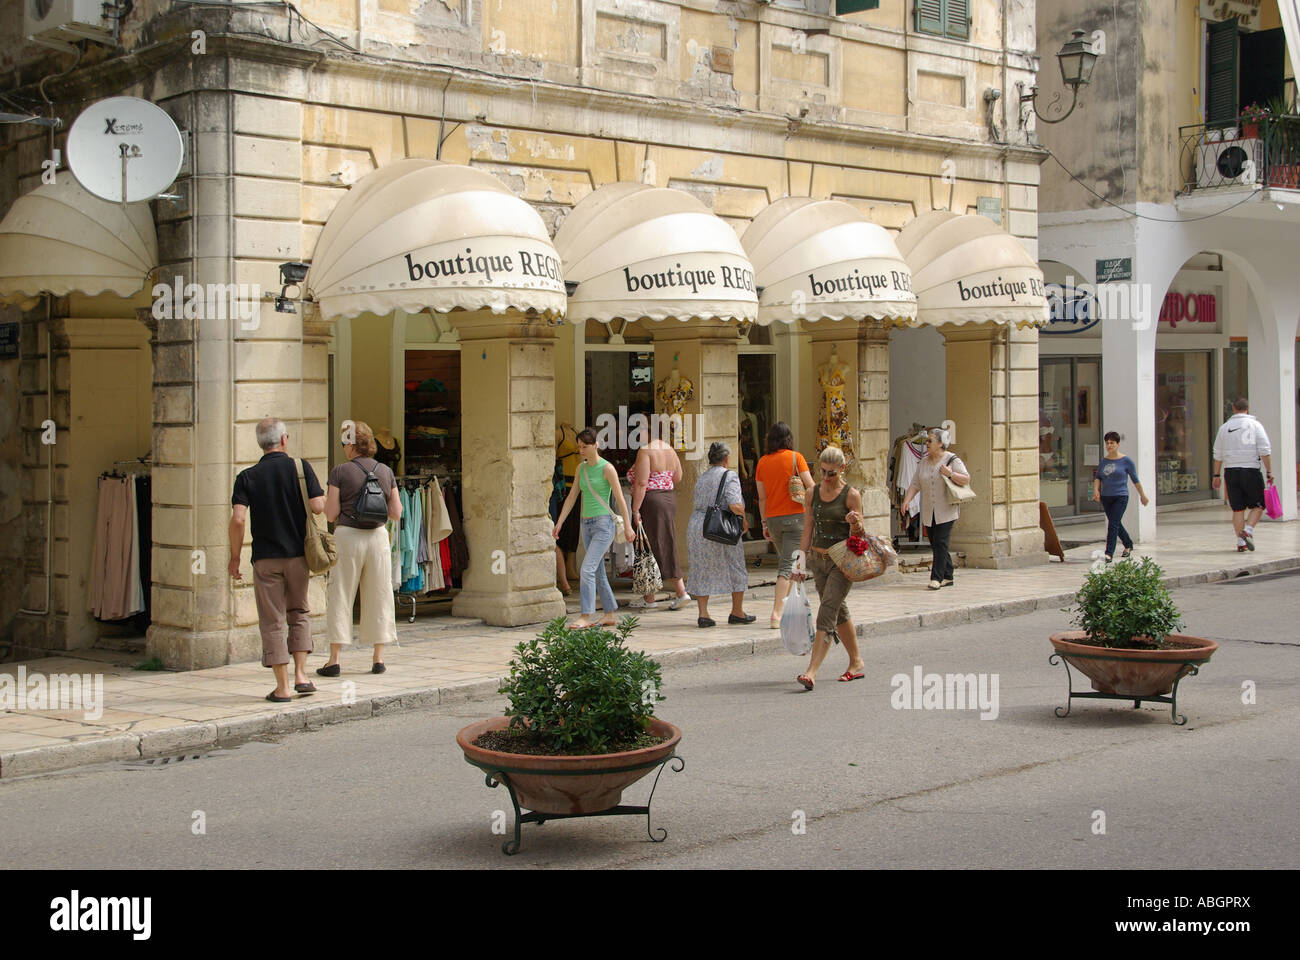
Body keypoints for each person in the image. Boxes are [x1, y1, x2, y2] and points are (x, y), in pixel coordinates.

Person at [229, 417, 325, 702]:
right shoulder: (300, 467)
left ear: (260, 443)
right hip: (298, 555)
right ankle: (302, 676)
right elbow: (318, 507)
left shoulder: (247, 477)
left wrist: (235, 557)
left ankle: (282, 687)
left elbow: (238, 518)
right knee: (299, 612)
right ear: (284, 439)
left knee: (272, 621)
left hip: (266, 559)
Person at [316, 421, 403, 677]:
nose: (344, 447)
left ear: (352, 445)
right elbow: (396, 513)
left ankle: (334, 660)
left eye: (345, 443)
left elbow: (331, 514)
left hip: (348, 537)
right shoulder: (385, 471)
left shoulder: (340, 471)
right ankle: (378, 658)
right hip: (377, 537)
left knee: (341, 594)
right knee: (380, 594)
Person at [792, 445, 867, 690]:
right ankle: (856, 662)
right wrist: (800, 561)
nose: (825, 477)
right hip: (818, 561)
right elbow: (808, 528)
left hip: (841, 563)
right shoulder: (812, 492)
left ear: (842, 469)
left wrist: (854, 523)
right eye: (822, 471)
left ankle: (811, 671)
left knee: (827, 611)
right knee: (838, 610)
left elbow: (860, 534)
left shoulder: (851, 495)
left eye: (831, 473)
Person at [552, 427, 635, 628]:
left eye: (585, 446)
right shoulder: (581, 469)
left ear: (596, 445)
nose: (581, 450)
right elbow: (572, 498)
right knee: (596, 571)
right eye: (579, 446)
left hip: (603, 524)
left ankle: (585, 616)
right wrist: (560, 523)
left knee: (586, 570)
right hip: (586, 524)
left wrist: (628, 526)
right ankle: (609, 614)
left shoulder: (607, 469)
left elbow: (619, 499)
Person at [685, 441, 754, 628]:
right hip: (720, 525)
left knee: (700, 567)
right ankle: (737, 611)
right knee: (736, 564)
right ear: (726, 458)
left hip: (698, 524)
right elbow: (734, 504)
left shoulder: (703, 477)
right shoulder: (730, 475)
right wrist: (744, 519)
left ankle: (703, 614)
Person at [755, 421, 814, 628]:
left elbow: (762, 498)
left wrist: (763, 523)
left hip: (773, 519)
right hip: (796, 518)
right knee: (787, 567)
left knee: (789, 565)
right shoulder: (796, 458)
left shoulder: (762, 462)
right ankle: (776, 614)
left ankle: (787, 609)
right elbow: (811, 487)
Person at [900, 428, 970, 590]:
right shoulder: (924, 462)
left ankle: (936, 578)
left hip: (946, 509)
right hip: (929, 510)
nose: (927, 443)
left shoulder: (952, 459)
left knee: (940, 542)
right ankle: (948, 575)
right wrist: (907, 500)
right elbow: (916, 483)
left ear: (940, 443)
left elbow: (966, 478)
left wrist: (950, 474)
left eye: (930, 441)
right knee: (936, 543)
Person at [629, 421, 689, 610]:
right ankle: (650, 596)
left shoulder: (645, 451)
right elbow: (678, 477)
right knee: (662, 542)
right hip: (669, 499)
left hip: (651, 500)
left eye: (641, 431)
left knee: (649, 546)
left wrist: (635, 509)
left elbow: (641, 483)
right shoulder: (670, 450)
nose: (638, 434)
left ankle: (679, 591)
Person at [1212, 398, 1274, 552]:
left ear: (1233, 408)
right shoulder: (1256, 425)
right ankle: (1248, 530)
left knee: (1237, 509)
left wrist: (1216, 475)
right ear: (1247, 409)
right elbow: (1265, 450)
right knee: (1258, 505)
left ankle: (1241, 543)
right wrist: (1269, 471)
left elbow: (1217, 454)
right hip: (1250, 470)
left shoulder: (1224, 428)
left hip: (1231, 471)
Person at [1088, 431, 1149, 562]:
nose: (1109, 445)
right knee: (1115, 523)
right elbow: (1098, 477)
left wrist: (1142, 495)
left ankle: (1108, 553)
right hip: (1106, 497)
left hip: (1120, 496)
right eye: (1107, 443)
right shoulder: (1104, 461)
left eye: (1112, 443)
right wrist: (1096, 490)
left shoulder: (1126, 461)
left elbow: (1135, 480)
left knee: (1113, 525)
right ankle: (1128, 544)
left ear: (1118, 444)